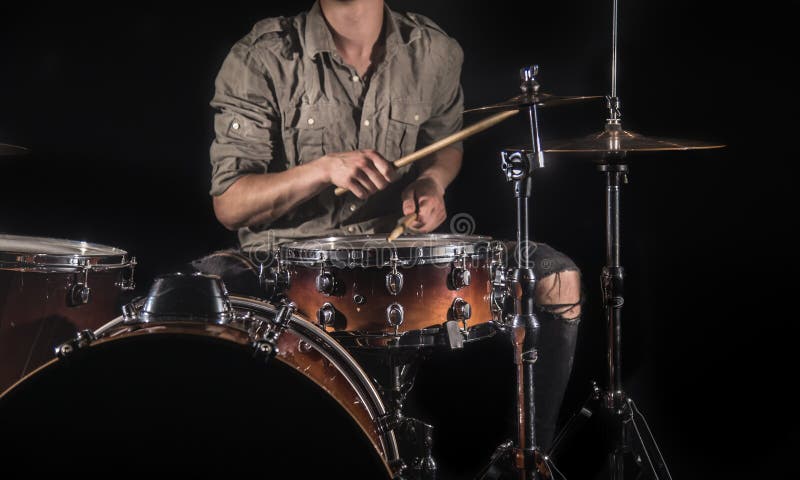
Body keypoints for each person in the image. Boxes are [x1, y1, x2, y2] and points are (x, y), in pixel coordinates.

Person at [194, 0, 581, 464]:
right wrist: (322, 170)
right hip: (286, 260)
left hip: (400, 255)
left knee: (556, 277)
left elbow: (445, 146)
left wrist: (431, 183)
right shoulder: (261, 57)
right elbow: (230, 203)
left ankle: (528, 464)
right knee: (200, 294)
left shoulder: (433, 50)